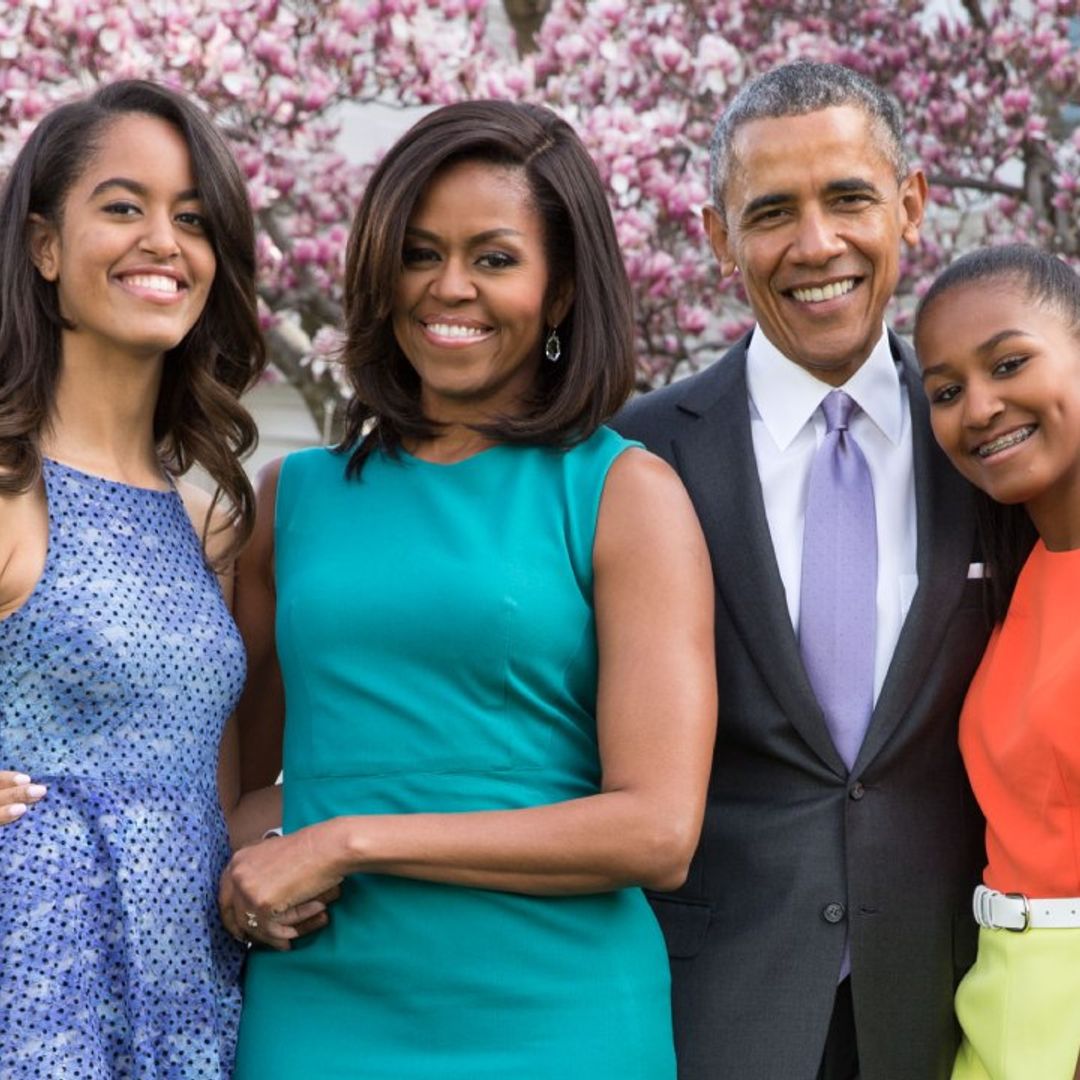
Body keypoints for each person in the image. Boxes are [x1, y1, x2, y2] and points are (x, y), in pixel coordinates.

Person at [217, 99, 717, 1078]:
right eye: (419, 254)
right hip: (319, 1004)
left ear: (559, 292)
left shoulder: (624, 493)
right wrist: (244, 874)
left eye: (494, 258)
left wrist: (347, 839)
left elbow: (658, 830)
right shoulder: (293, 498)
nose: (450, 287)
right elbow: (227, 784)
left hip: (556, 1016)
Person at [614, 61, 989, 1079]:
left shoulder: (991, 447)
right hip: (711, 1009)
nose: (816, 244)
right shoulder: (639, 458)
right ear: (717, 239)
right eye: (772, 212)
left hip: (950, 1007)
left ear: (911, 206)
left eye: (850, 198)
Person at [0, 80, 282, 1076]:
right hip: (33, 994)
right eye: (124, 207)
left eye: (193, 219)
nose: (163, 241)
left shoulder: (213, 526)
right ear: (45, 246)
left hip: (191, 989)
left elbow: (225, 787)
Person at [914, 244, 1080, 1080]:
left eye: (1009, 363)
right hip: (997, 1006)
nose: (978, 408)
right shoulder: (1025, 571)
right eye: (945, 392)